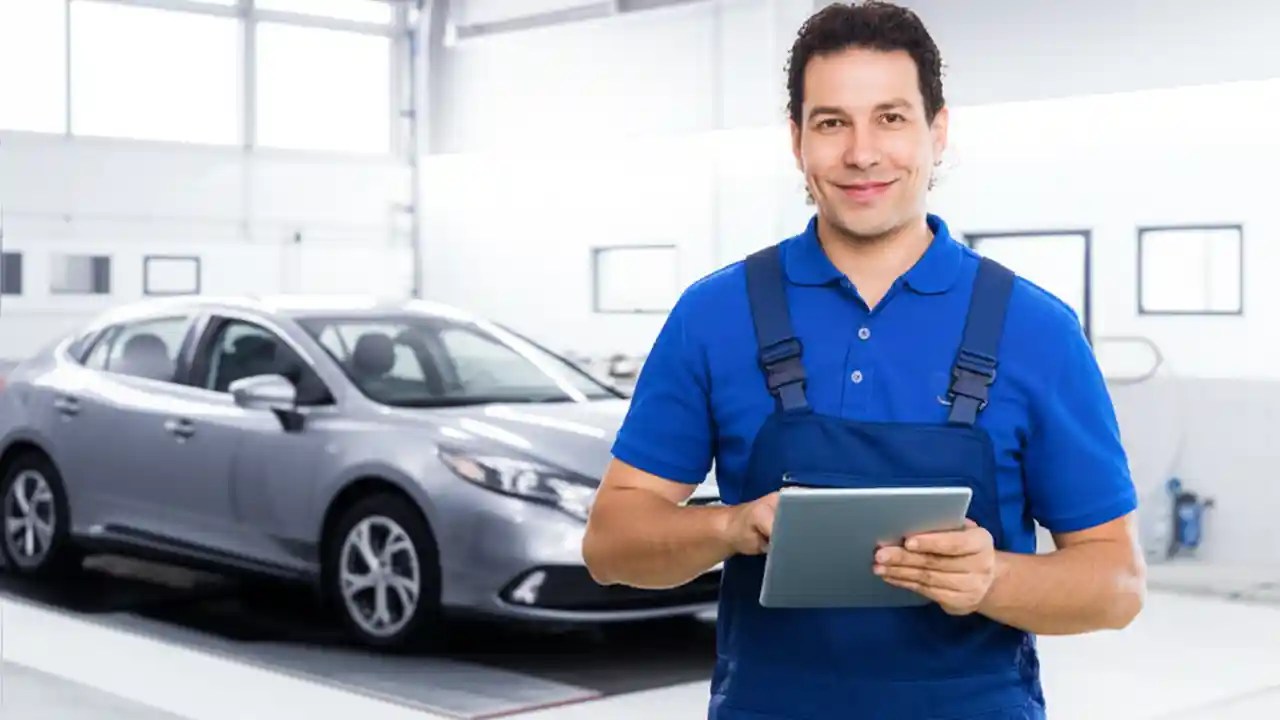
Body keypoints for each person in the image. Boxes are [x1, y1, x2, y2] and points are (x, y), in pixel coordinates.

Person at [582, 2, 1146, 718]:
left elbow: (1117, 583)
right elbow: (611, 545)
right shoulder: (715, 315)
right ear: (796, 140)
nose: (861, 153)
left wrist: (990, 580)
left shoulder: (1036, 330)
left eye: (890, 117)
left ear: (937, 132)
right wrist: (730, 526)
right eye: (831, 123)